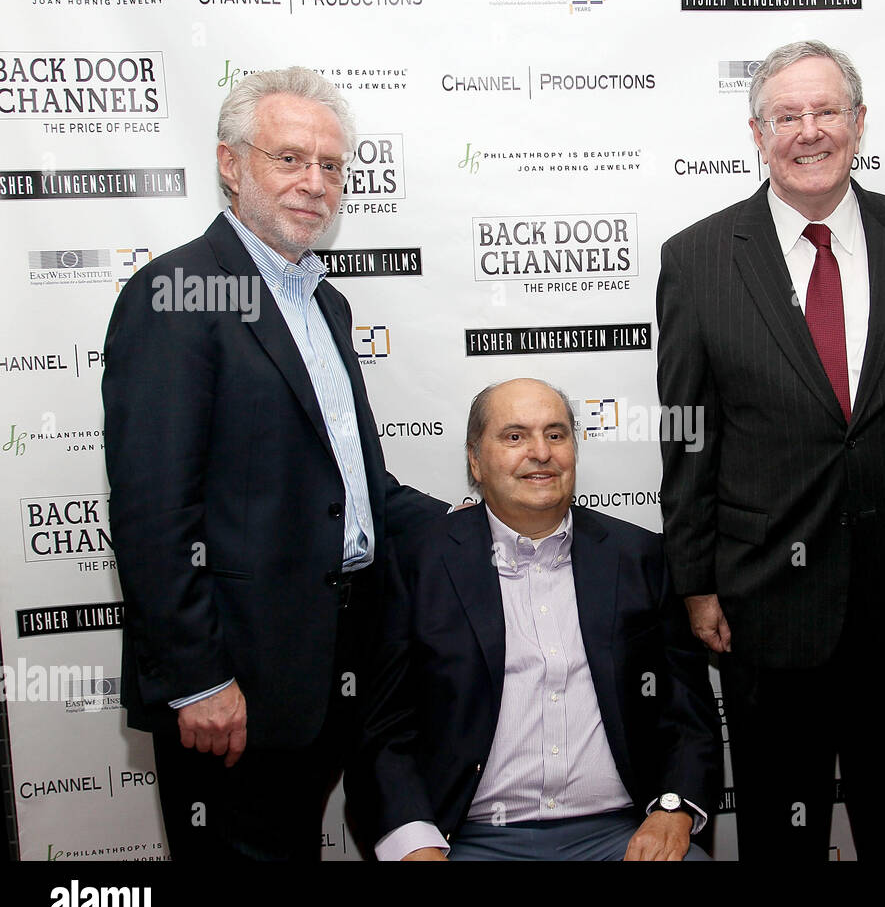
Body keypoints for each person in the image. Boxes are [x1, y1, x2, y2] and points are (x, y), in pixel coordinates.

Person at [103, 67, 447, 861]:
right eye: (289, 158)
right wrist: (197, 678)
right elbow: (154, 513)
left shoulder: (324, 302)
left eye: (331, 166)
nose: (314, 183)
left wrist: (474, 519)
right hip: (235, 684)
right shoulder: (177, 294)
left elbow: (354, 489)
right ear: (231, 164)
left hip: (335, 663)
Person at [656, 40, 885, 860]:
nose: (809, 131)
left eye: (827, 111)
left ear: (860, 123)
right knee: (778, 833)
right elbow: (688, 435)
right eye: (787, 116)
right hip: (765, 611)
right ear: (757, 132)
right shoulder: (698, 258)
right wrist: (696, 585)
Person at [347, 379, 721, 860]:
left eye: (556, 434)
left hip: (621, 836)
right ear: (475, 460)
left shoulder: (641, 558)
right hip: (465, 839)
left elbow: (688, 717)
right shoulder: (417, 565)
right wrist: (414, 846)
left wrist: (672, 809)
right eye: (515, 436)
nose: (540, 452)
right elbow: (380, 732)